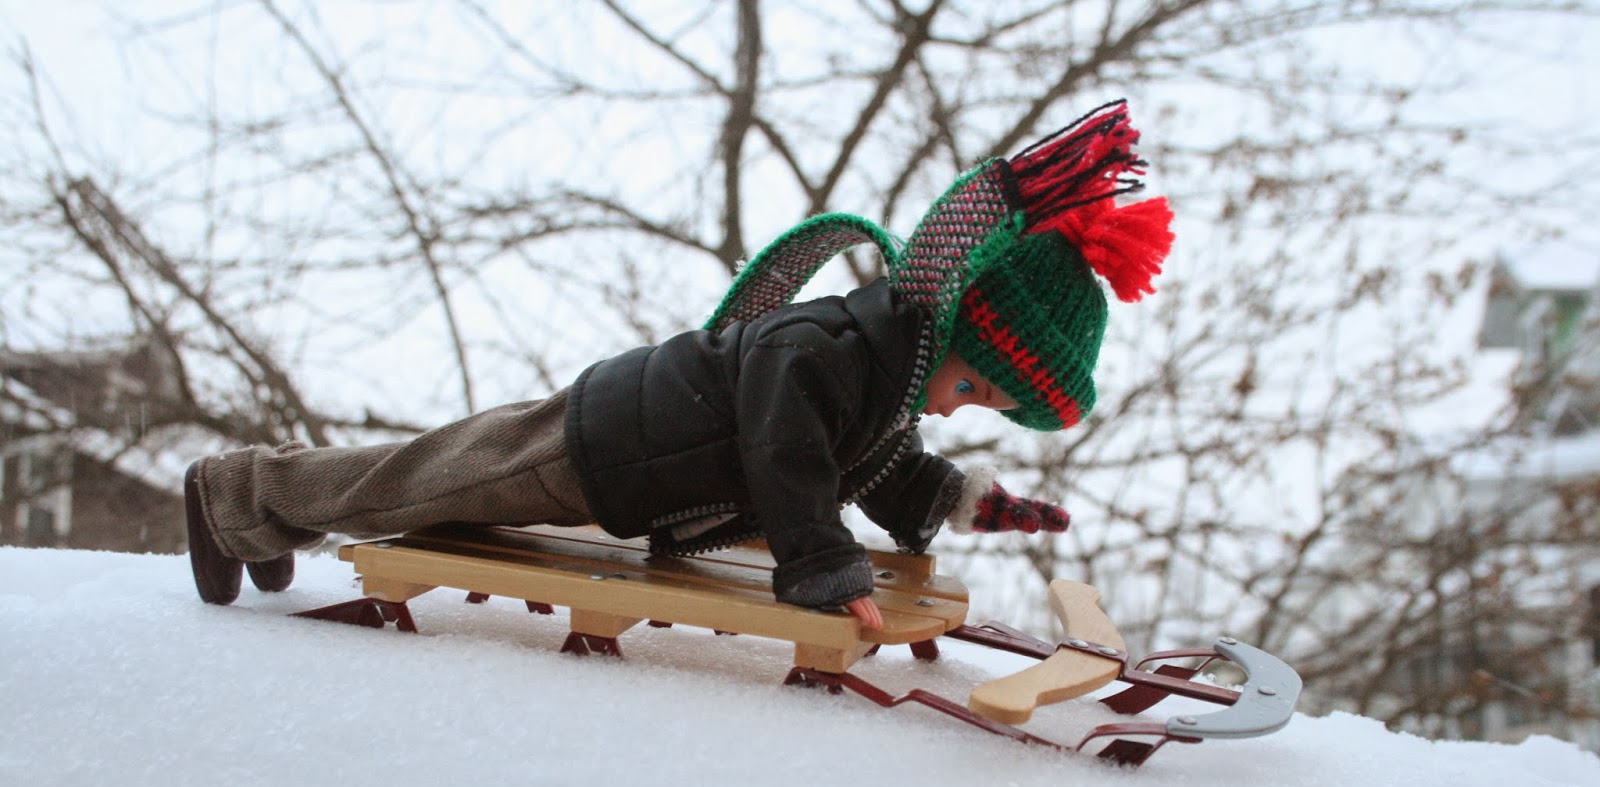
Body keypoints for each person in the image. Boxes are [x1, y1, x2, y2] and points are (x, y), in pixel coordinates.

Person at [184, 100, 1174, 630]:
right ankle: (239, 492)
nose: (957, 410)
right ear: (952, 326)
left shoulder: (879, 380)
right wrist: (820, 559)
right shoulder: (828, 349)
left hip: (627, 466)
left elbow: (868, 462)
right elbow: (788, 450)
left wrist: (960, 501)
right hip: (602, 445)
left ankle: (271, 503)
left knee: (430, 484)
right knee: (424, 483)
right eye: (973, 387)